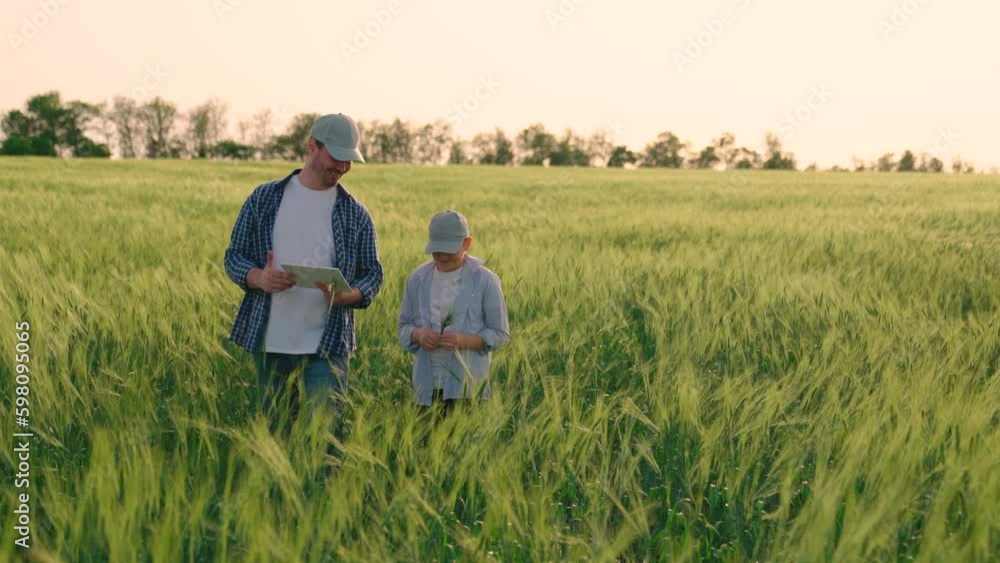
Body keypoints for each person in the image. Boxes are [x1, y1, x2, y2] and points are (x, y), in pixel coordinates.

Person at [224, 113, 383, 430]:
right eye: (336, 157)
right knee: (276, 434)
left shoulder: (355, 213)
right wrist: (259, 278)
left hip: (329, 343)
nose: (342, 167)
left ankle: (319, 483)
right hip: (271, 340)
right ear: (312, 146)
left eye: (349, 161)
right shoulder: (264, 198)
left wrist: (351, 295)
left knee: (325, 440)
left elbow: (373, 274)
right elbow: (234, 256)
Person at [397, 210, 510, 414]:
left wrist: (465, 341)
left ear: (467, 244)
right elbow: (403, 328)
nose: (441, 256)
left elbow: (501, 334)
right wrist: (418, 335)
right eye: (436, 250)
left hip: (467, 389)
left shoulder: (485, 281)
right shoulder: (417, 279)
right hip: (426, 389)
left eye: (449, 250)